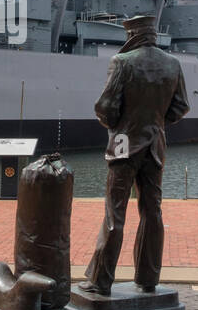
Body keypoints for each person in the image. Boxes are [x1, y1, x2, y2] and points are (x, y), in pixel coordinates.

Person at [79, 15, 190, 295]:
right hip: (155, 145)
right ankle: (148, 278)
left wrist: (118, 124)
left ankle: (100, 280)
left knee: (115, 214)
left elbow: (104, 106)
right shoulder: (173, 64)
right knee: (152, 212)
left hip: (122, 144)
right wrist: (155, 123)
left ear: (132, 34)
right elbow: (181, 107)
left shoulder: (122, 62)